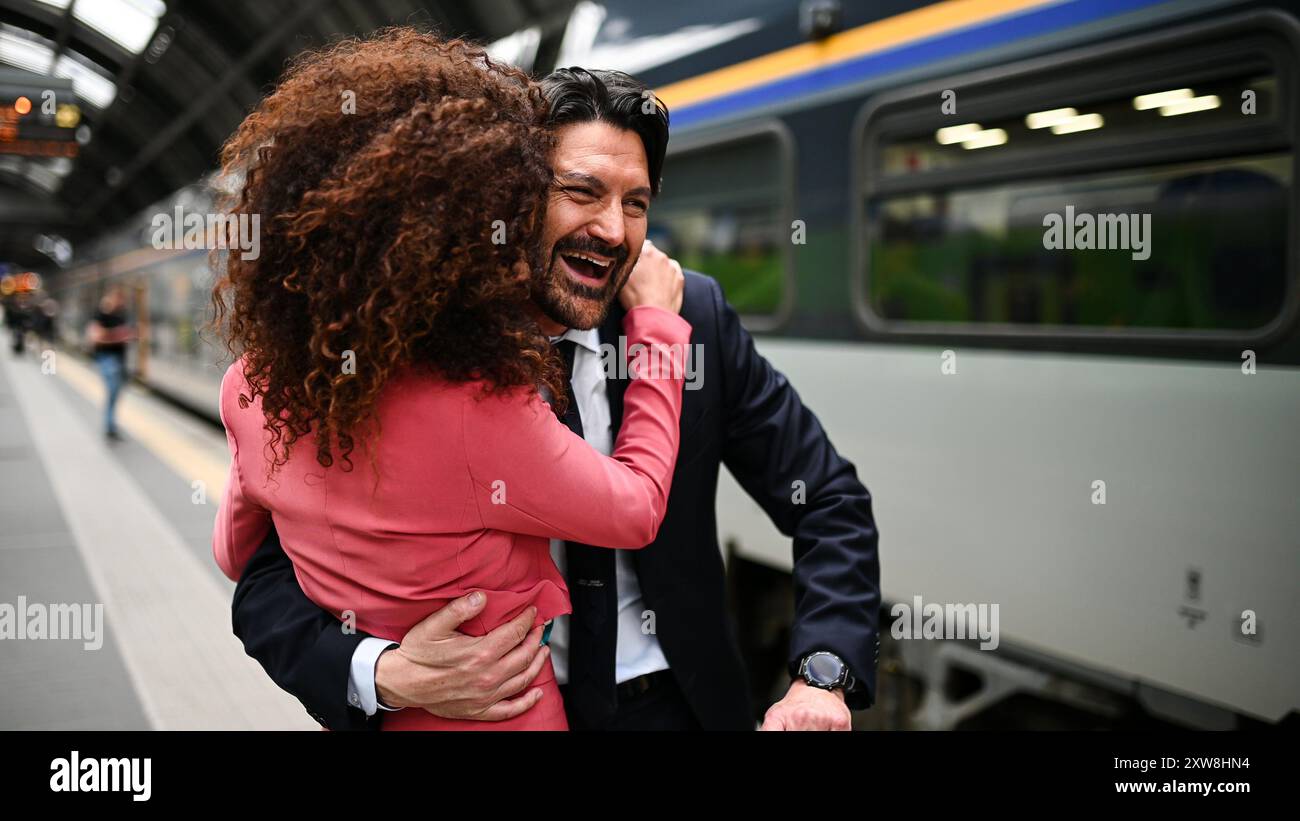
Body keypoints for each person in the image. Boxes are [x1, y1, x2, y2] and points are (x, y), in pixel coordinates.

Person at [233, 62, 881, 732]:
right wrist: (383, 674)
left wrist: (822, 675)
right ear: (509, 196)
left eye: (636, 203)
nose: (614, 230)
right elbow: (265, 577)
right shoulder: (408, 341)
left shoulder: (695, 317)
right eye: (581, 191)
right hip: (488, 715)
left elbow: (828, 499)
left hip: (676, 707)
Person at [210, 30, 689, 731]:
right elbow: (636, 507)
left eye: (636, 203)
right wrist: (659, 336)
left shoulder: (251, 387)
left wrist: (377, 658)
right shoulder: (483, 402)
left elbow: (236, 553)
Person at [86, 287, 133, 440]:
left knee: (115, 393)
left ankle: (111, 425)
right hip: (107, 359)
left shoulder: (122, 315)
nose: (122, 303)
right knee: (112, 393)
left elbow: (126, 334)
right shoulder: (101, 315)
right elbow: (95, 337)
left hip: (119, 360)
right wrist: (118, 336)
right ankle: (109, 426)